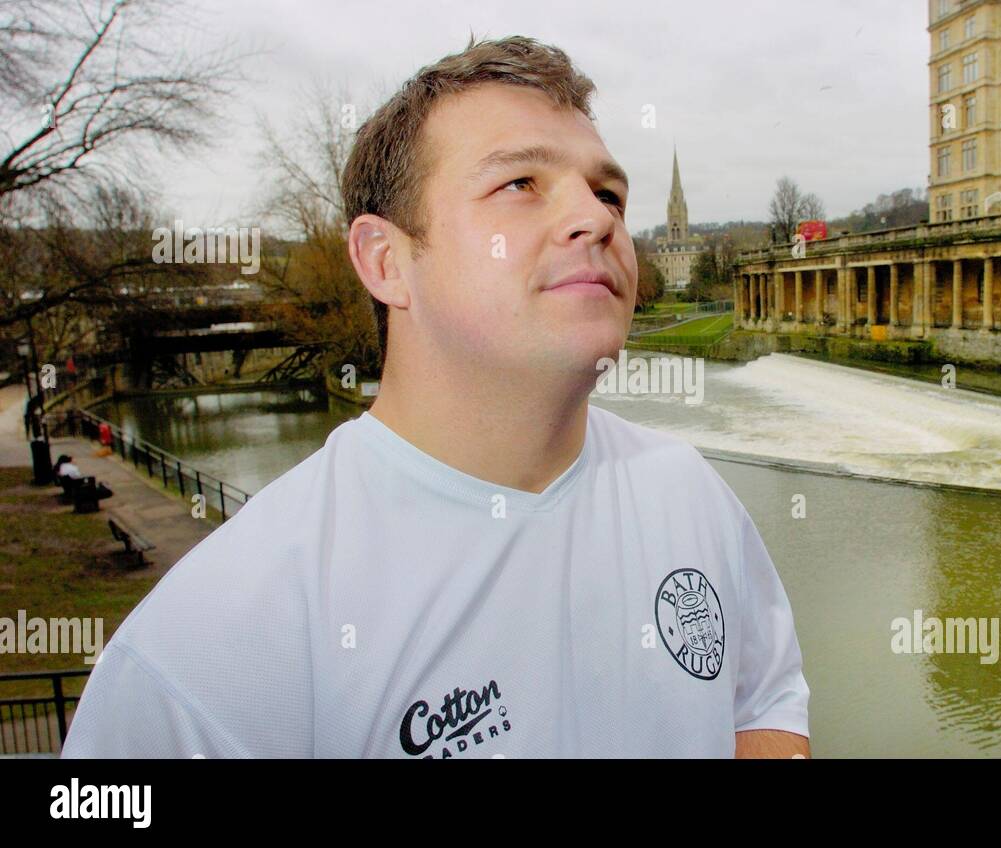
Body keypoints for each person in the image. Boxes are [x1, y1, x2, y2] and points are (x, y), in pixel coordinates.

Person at [62, 35, 810, 759]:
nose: (598, 218)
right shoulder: (210, 642)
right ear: (385, 261)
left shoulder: (691, 493)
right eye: (521, 184)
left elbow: (764, 694)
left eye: (608, 191)